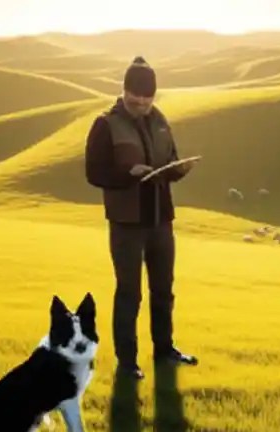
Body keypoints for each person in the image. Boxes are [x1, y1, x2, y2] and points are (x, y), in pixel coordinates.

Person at [85, 56, 200, 380]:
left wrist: (178, 170)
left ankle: (165, 350)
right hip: (127, 224)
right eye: (135, 98)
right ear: (124, 92)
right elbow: (94, 173)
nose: (141, 104)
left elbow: (171, 160)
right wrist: (127, 175)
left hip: (161, 220)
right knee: (129, 294)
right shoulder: (105, 124)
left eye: (147, 99)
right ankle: (127, 363)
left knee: (164, 290)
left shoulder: (160, 120)